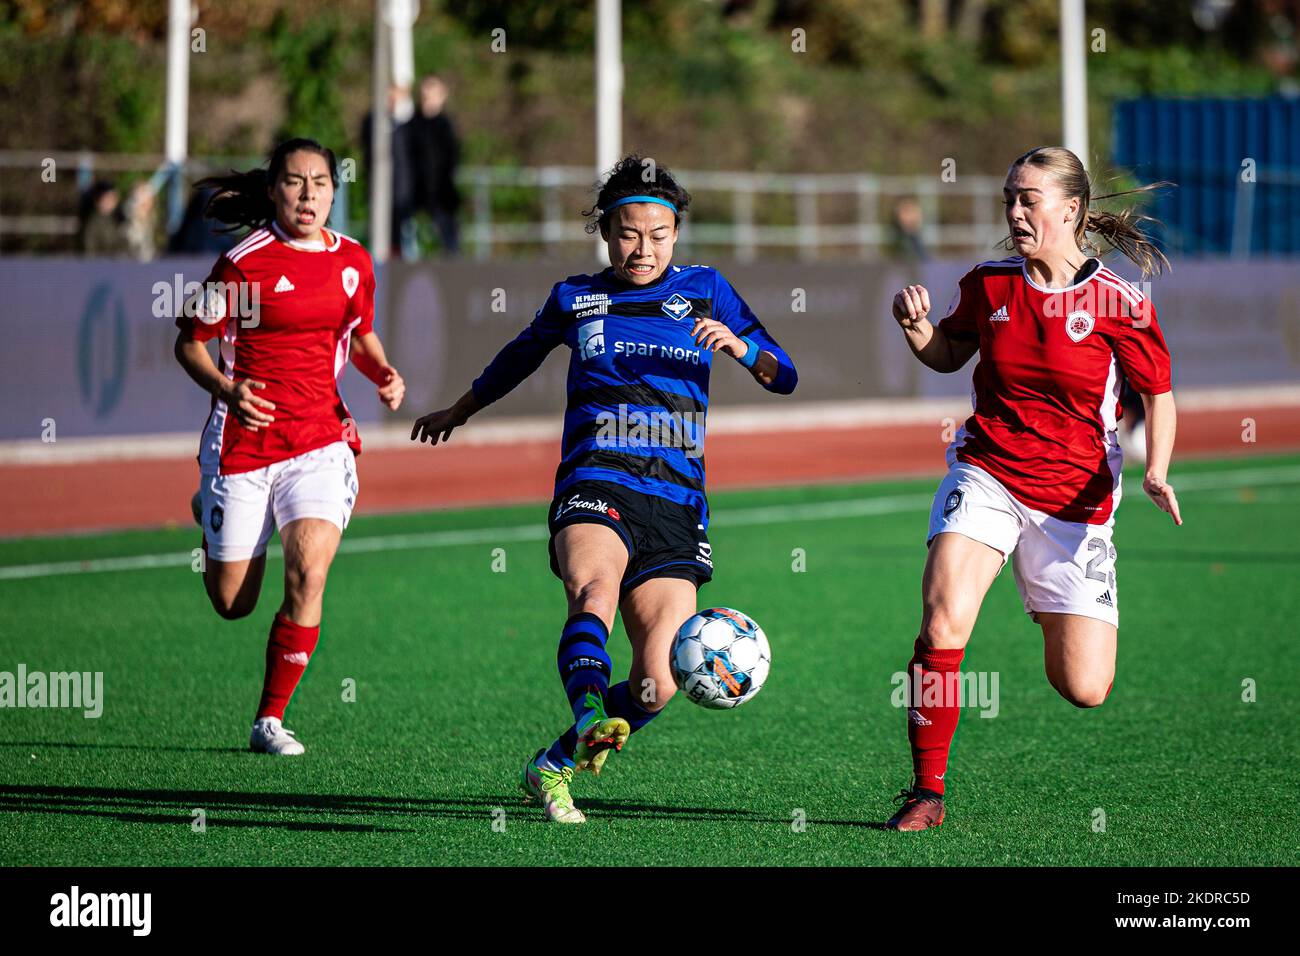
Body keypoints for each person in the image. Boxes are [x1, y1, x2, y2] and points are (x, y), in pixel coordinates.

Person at [410, 155, 797, 822]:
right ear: (605, 232)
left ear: (676, 234)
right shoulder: (575, 298)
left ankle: (554, 764)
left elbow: (783, 375)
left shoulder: (710, 290)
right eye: (626, 232)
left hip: (676, 503)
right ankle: (590, 712)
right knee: (595, 591)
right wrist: (459, 410)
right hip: (596, 478)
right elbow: (518, 357)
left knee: (656, 685)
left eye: (656, 233)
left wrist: (738, 347)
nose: (640, 247)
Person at [885, 146, 1180, 830]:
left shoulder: (1120, 303)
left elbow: (1159, 394)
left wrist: (1157, 468)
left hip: (1076, 504)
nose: (1014, 212)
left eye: (1030, 199)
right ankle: (926, 791)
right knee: (941, 623)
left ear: (1071, 210)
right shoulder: (988, 285)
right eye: (1010, 198)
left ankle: (1043, 595)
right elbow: (946, 354)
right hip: (987, 473)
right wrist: (916, 330)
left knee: (1085, 688)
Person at [173, 137, 406, 755]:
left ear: (335, 189)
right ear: (274, 189)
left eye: (321, 183)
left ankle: (269, 720)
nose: (309, 195)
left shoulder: (353, 260)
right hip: (244, 443)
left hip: (320, 440)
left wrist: (382, 373)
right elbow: (190, 343)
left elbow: (359, 335)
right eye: (296, 182)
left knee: (309, 570)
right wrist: (228, 389)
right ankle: (210, 508)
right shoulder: (243, 263)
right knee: (232, 603)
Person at [408, 74, 462, 256]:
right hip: (414, 193)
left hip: (441, 193)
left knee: (449, 240)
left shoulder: (447, 126)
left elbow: (453, 158)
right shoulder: (411, 125)